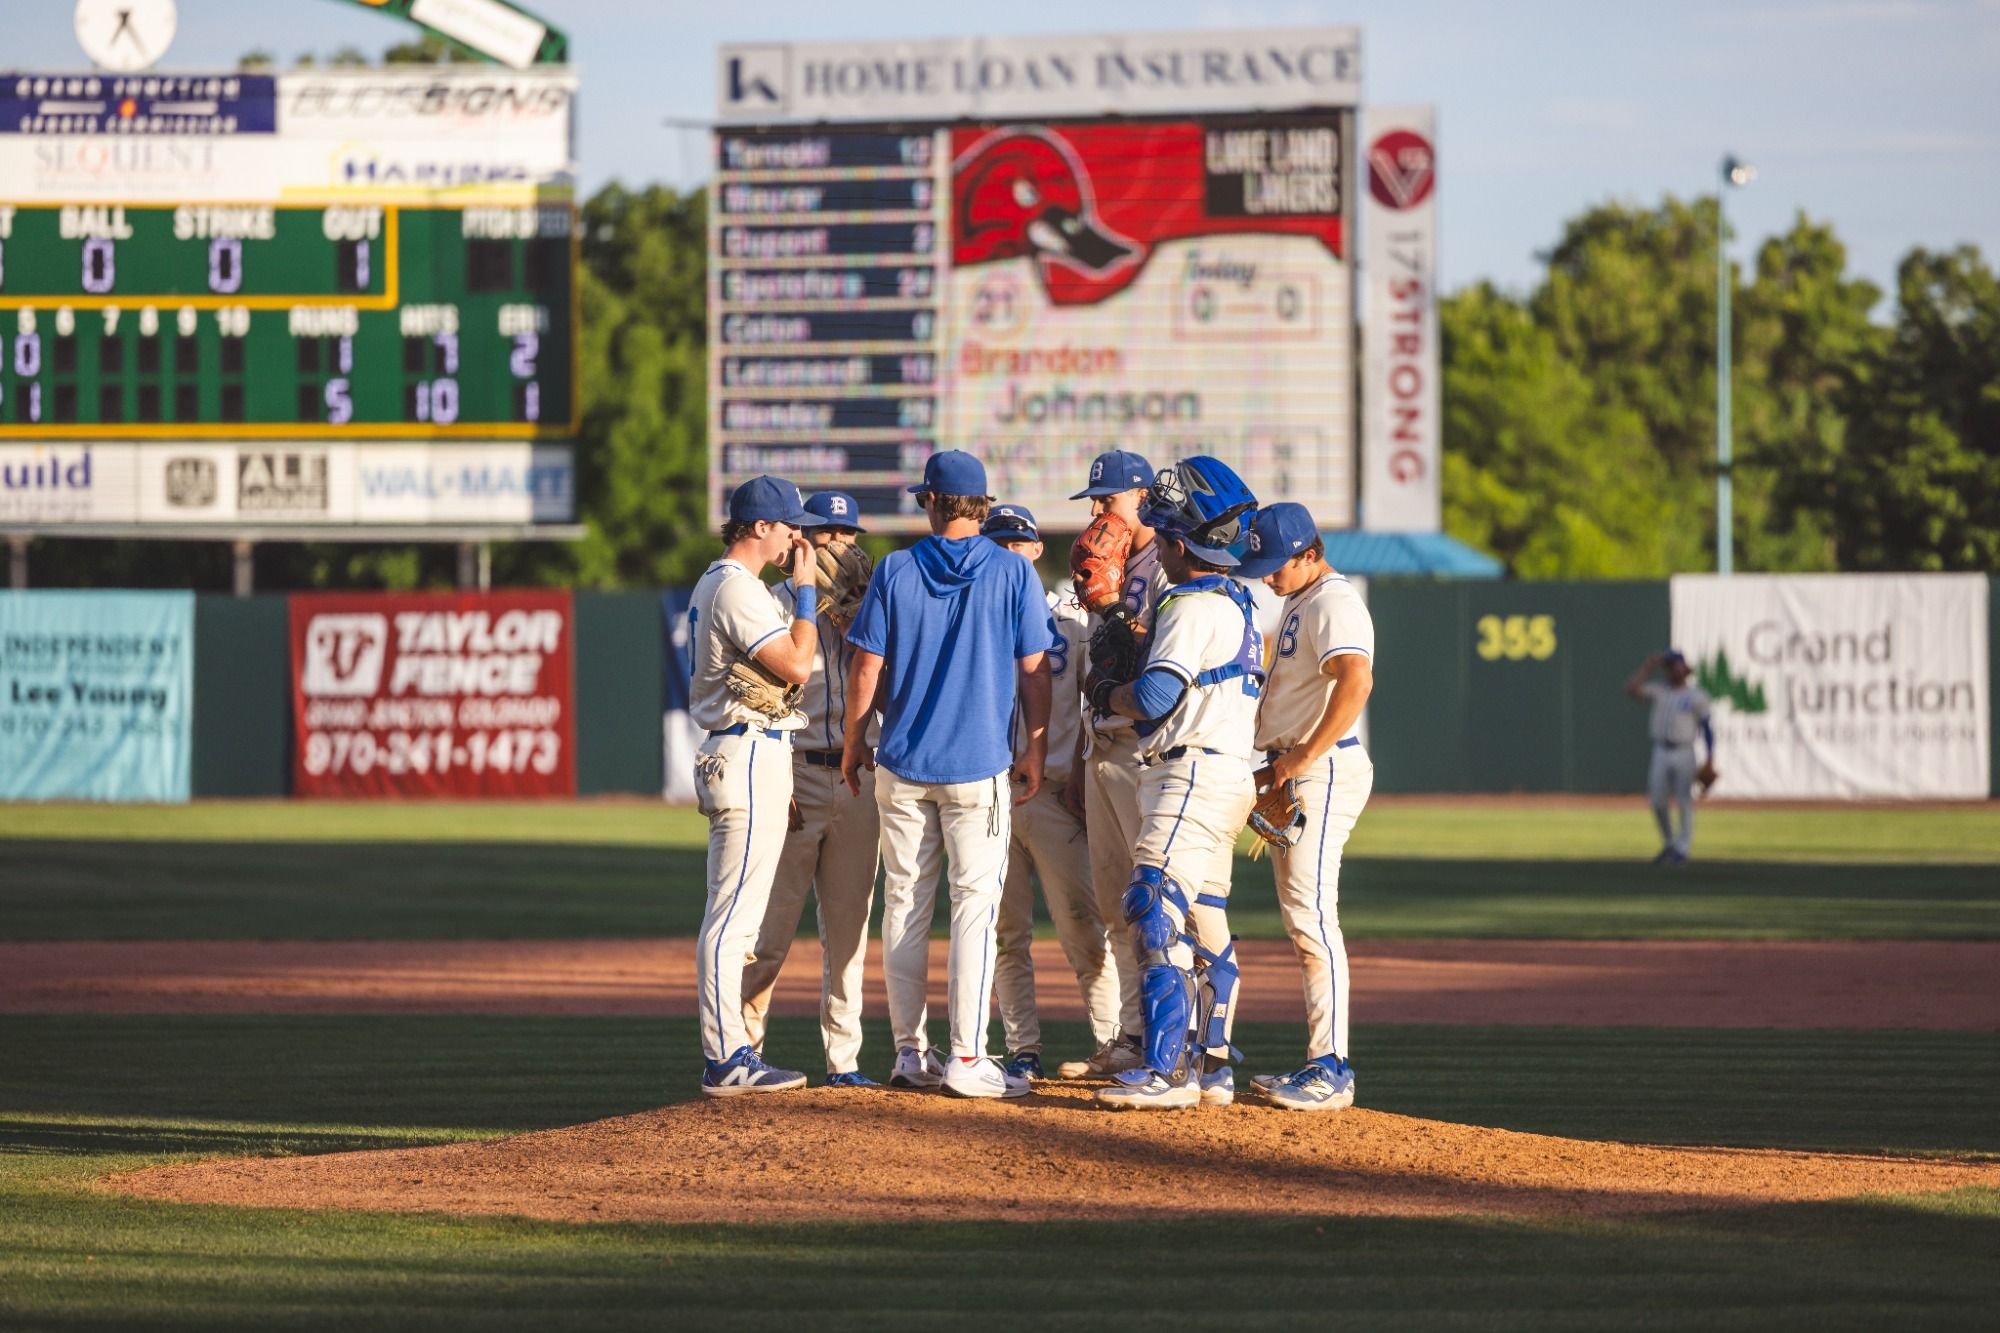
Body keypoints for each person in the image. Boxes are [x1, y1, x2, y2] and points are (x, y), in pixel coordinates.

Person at [842, 451, 1054, 1100]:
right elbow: (1035, 670)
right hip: (978, 768)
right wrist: (1036, 748)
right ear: (982, 506)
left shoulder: (896, 568)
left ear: (933, 501)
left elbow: (865, 669)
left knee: (904, 907)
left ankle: (910, 1052)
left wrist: (854, 739)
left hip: (901, 764)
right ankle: (966, 1055)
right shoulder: (1015, 573)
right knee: (973, 910)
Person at [1087, 456, 1262, 1112]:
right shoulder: (1238, 598)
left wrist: (1108, 689)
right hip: (1222, 771)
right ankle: (1213, 1066)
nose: (1157, 543)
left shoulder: (1190, 602)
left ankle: (1166, 1070)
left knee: (1152, 902)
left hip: (1188, 769)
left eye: (1163, 536)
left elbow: (1157, 695)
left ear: (1183, 544)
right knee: (1205, 918)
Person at [686, 476, 824, 1096]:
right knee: (732, 924)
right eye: (788, 523)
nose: (798, 534)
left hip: (759, 752)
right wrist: (805, 594)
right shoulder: (735, 588)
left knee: (737, 919)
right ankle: (726, 1058)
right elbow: (797, 665)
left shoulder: (740, 587)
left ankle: (732, 1053)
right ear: (759, 526)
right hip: (742, 752)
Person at [1234, 503, 1375, 1112]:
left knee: (1312, 918)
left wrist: (1298, 761)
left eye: (1275, 566)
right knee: (1303, 919)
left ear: (1309, 554)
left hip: (1323, 767)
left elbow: (1357, 681)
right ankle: (1321, 1062)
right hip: (1297, 766)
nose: (1267, 576)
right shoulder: (1303, 597)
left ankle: (1331, 1068)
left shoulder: (1334, 602)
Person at [740, 490, 883, 1088]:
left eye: (847, 536)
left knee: (848, 939)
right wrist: (774, 779)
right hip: (793, 772)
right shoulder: (771, 608)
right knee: (767, 938)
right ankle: (741, 1052)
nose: (839, 547)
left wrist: (859, 621)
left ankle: (843, 1064)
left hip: (857, 782)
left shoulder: (875, 610)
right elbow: (752, 702)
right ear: (801, 540)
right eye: (827, 535)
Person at [981, 502, 1122, 1084]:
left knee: (1083, 929)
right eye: (999, 544)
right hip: (988, 792)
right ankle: (1022, 1051)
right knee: (1003, 935)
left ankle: (1114, 1042)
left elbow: (1097, 702)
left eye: (1020, 544)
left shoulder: (1072, 616)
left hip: (1056, 793)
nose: (1011, 553)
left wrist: (1087, 782)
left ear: (1037, 551)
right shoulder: (973, 615)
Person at [1059, 449, 1164, 1081]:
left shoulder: (1170, 563)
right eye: (1094, 501)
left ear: (1144, 498)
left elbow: (1165, 663)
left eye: (1110, 499)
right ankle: (1129, 1038)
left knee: (1157, 902)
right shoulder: (1115, 559)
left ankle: (1187, 1043)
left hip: (1145, 750)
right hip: (1102, 742)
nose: (1099, 512)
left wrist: (1123, 616)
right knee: (1112, 904)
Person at [1625, 650, 1715, 865]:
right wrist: (1648, 667)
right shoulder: (1659, 691)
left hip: (1685, 751)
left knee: (1684, 800)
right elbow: (1630, 689)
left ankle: (1683, 849)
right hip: (1661, 750)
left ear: (1685, 669)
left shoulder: (1696, 696)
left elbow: (1707, 728)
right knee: (1657, 801)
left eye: (1677, 665)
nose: (1674, 669)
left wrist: (1711, 757)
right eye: (1670, 666)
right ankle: (1669, 844)